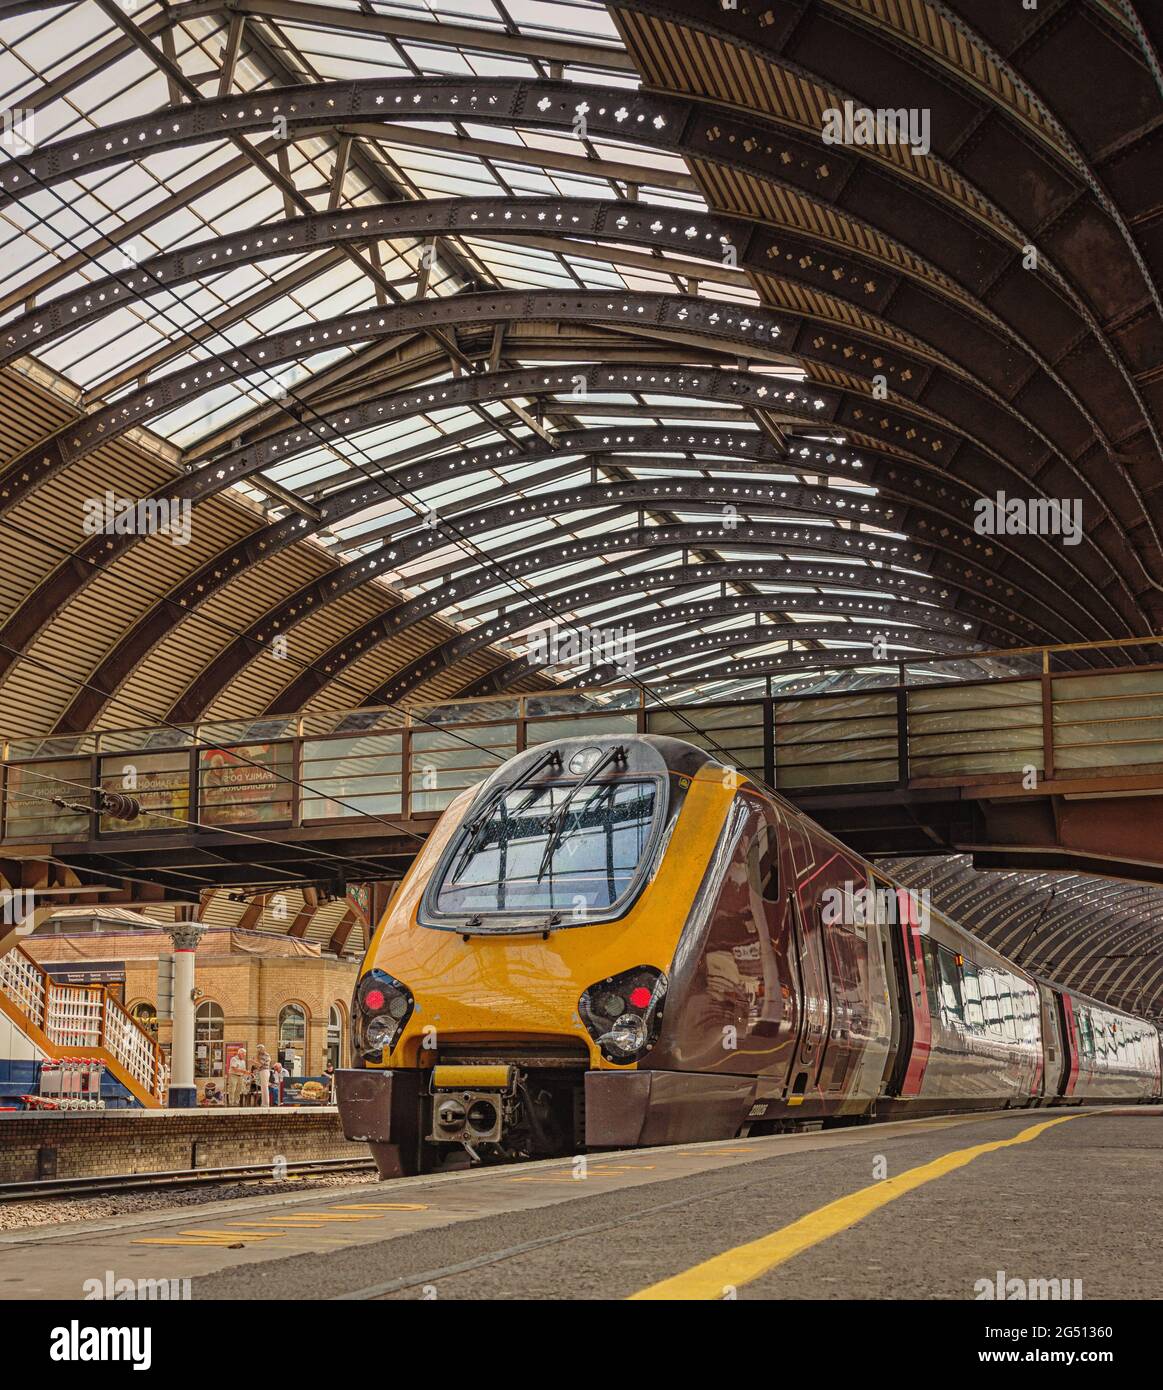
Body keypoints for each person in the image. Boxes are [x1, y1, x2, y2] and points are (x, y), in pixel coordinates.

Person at [255, 1044, 272, 1109]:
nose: (258, 1051)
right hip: (261, 1071)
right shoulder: (260, 1056)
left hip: (265, 1071)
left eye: (258, 1049)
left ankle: (266, 1104)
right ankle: (263, 1103)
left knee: (265, 1087)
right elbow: (258, 1065)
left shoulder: (266, 1055)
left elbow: (260, 1064)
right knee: (263, 1088)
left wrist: (254, 1061)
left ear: (262, 1049)